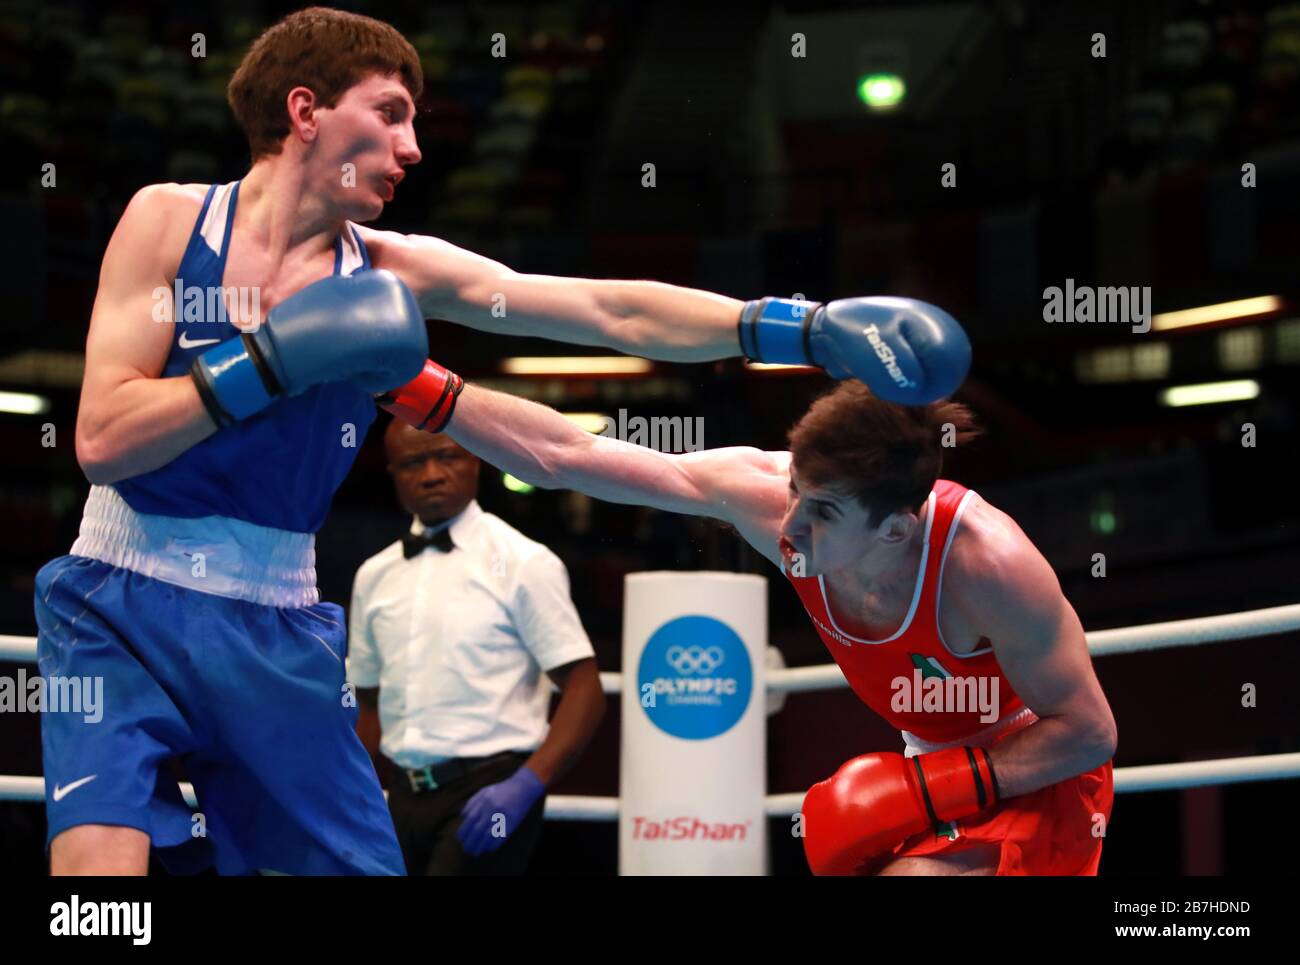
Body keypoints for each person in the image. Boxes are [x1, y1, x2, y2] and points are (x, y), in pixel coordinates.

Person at [36, 5, 966, 875]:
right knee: (101, 873)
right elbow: (103, 439)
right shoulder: (169, 219)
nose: (412, 146)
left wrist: (794, 330)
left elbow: (605, 308)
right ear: (305, 110)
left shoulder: (396, 270)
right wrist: (273, 360)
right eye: (391, 114)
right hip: (121, 601)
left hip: (278, 619)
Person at [380, 358, 1119, 877]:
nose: (791, 527)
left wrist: (925, 790)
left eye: (824, 512)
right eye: (795, 489)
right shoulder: (769, 499)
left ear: (897, 528)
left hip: (1037, 771)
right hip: (931, 759)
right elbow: (568, 452)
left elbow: (1091, 733)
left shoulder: (987, 564)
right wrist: (417, 385)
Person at [348, 421, 605, 875]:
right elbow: (369, 702)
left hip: (491, 788)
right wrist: (353, 793)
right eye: (413, 462)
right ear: (392, 472)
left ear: (475, 460)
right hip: (402, 795)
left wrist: (529, 782)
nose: (431, 474)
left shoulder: (524, 562)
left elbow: (584, 686)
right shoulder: (374, 575)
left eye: (446, 457)